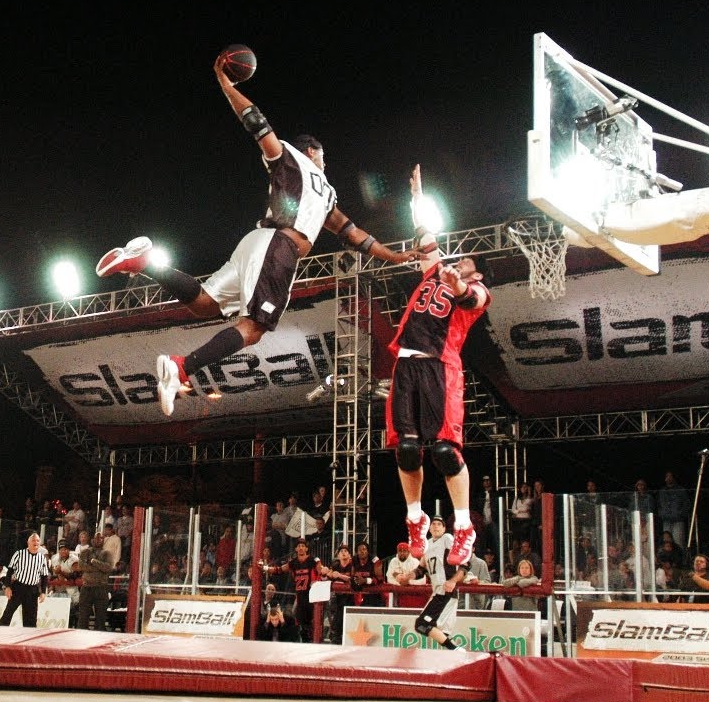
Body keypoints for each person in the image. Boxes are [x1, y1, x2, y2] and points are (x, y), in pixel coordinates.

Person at [95, 56, 418, 415]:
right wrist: (227, 86)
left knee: (204, 304)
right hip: (278, 247)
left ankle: (146, 263)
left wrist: (398, 258)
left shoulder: (323, 191)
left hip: (257, 242)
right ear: (313, 150)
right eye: (323, 155)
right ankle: (180, 366)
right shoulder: (297, 160)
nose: (326, 161)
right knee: (254, 327)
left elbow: (352, 234)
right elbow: (257, 123)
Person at [388, 166, 491, 570]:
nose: (461, 259)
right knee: (408, 449)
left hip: (440, 369)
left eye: (469, 261)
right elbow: (424, 234)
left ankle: (463, 526)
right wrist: (417, 196)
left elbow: (469, 300)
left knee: (446, 451)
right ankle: (415, 519)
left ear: (477, 273)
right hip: (406, 365)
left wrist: (458, 285)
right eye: (460, 259)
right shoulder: (434, 271)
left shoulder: (480, 289)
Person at [413, 515, 469, 650]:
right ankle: (454, 652)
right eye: (433, 524)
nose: (436, 526)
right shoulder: (427, 544)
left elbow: (465, 563)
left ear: (444, 528)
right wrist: (407, 576)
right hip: (438, 591)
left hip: (446, 591)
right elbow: (420, 569)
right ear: (429, 528)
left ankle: (456, 650)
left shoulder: (447, 539)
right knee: (440, 631)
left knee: (422, 624)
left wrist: (453, 580)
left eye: (439, 524)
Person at [0, 531, 50, 628]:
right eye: (34, 540)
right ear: (28, 542)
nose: (36, 542)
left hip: (32, 590)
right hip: (18, 587)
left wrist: (43, 592)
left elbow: (44, 576)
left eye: (38, 541)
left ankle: (28, 640)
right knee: (8, 613)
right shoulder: (19, 554)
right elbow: (10, 571)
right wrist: (8, 587)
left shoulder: (42, 558)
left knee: (31, 619)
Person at [72, 543, 114, 631]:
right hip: (87, 587)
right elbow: (81, 566)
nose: (98, 540)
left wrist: (94, 562)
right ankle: (80, 638)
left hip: (101, 587)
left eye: (100, 537)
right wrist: (99, 568)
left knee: (100, 618)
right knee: (83, 617)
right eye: (96, 537)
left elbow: (109, 568)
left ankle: (99, 639)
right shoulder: (85, 552)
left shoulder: (107, 553)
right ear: (92, 540)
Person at [658, 470, 689, 548]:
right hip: (666, 519)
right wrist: (662, 514)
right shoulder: (662, 491)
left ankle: (680, 559)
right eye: (667, 477)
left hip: (678, 520)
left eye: (670, 476)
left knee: (678, 541)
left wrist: (681, 514)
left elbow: (686, 504)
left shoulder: (680, 490)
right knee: (667, 542)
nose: (668, 478)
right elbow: (659, 505)